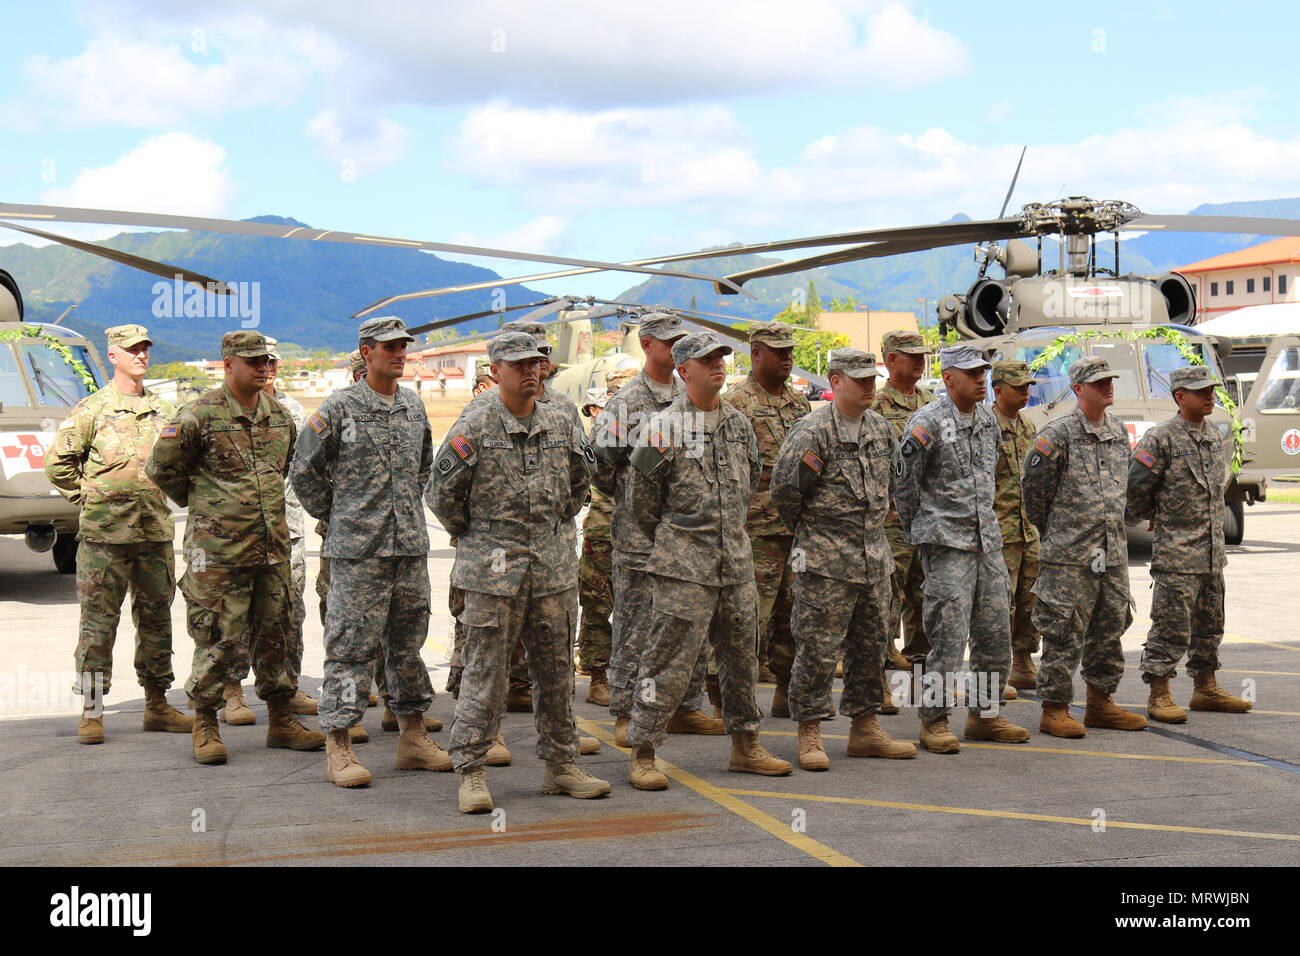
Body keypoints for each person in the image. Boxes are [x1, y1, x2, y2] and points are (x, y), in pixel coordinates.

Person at [428, 331, 611, 813]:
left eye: (537, 362)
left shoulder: (562, 419)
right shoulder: (476, 422)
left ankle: (561, 765)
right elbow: (442, 495)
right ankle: (470, 770)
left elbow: (579, 483)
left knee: (555, 676)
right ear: (496, 371)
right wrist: (480, 536)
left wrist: (549, 531)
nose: (531, 370)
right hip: (493, 573)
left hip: (551, 571)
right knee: (484, 674)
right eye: (519, 364)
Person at [623, 332, 791, 789]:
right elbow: (639, 504)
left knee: (741, 659)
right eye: (706, 359)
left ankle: (745, 745)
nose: (718, 364)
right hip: (683, 568)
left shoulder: (737, 425)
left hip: (735, 562)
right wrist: (675, 543)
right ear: (684, 371)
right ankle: (643, 750)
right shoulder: (662, 430)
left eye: (721, 356)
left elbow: (753, 479)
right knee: (666, 661)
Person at [147, 330, 324, 764]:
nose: (263, 367)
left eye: (266, 360)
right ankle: (206, 722)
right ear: (228, 364)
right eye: (252, 361)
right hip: (218, 553)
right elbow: (162, 470)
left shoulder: (280, 416)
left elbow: (283, 470)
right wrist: (209, 506)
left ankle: (281, 719)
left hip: (272, 548)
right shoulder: (197, 415)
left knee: (275, 633)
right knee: (216, 638)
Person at [290, 316, 449, 788]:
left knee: (407, 644)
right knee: (350, 647)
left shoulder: (413, 406)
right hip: (359, 552)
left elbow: (424, 468)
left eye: (403, 346)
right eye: (389, 347)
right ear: (366, 351)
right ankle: (338, 743)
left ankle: (412, 737)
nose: (399, 354)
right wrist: (337, 516)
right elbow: (303, 471)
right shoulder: (339, 409)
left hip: (409, 550)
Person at [771, 349, 916, 770]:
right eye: (860, 379)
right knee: (816, 651)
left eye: (874, 378)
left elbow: (895, 484)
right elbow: (785, 494)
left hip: (874, 560)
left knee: (871, 648)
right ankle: (810, 730)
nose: (871, 386)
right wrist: (817, 538)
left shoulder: (882, 430)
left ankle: (865, 727)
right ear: (835, 382)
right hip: (824, 564)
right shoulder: (812, 433)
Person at [45, 324, 190, 743]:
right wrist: (88, 497)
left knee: (157, 621)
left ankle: (158, 704)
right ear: (113, 356)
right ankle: (92, 711)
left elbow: (177, 465)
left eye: (145, 349)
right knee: (97, 626)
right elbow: (58, 464)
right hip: (105, 540)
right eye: (132, 350)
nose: (141, 356)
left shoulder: (164, 412)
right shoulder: (91, 410)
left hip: (153, 535)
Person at [592, 313, 722, 746]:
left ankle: (685, 707)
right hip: (641, 536)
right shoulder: (628, 402)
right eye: (667, 341)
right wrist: (633, 498)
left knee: (690, 627)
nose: (674, 347)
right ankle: (627, 711)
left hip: (689, 537)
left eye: (680, 341)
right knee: (636, 626)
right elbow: (601, 463)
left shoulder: (695, 395)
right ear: (646, 345)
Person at [895, 344, 1029, 753]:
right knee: (947, 635)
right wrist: (923, 529)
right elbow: (903, 486)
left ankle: (985, 716)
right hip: (946, 544)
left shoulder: (987, 421)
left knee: (994, 633)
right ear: (948, 377)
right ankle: (933, 720)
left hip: (987, 542)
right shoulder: (928, 423)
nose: (980, 379)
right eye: (971, 373)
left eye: (982, 373)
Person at [1021, 356, 1147, 737]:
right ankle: (1054, 708)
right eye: (1098, 382)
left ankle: (1100, 702)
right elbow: (1034, 493)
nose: (1108, 386)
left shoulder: (1116, 429)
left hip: (1111, 551)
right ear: (1078, 389)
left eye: (1110, 379)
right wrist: (1059, 532)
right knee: (1064, 630)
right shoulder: (1056, 435)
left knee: (1110, 626)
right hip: (1070, 555)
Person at [1127, 364, 1251, 722]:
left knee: (1211, 624)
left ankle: (1205, 687)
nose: (1210, 395)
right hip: (1177, 554)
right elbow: (1134, 488)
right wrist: (1156, 512)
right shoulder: (1160, 437)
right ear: (1180, 397)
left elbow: (1220, 484)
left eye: (1211, 389)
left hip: (1212, 553)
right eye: (1201, 391)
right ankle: (1159, 693)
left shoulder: (1212, 435)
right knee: (1170, 627)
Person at [221, 337, 321, 724]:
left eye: (272, 362)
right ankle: (232, 691)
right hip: (238, 532)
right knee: (236, 613)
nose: (267, 369)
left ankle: (287, 687)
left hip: (287, 529)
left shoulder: (293, 410)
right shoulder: (216, 411)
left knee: (289, 614)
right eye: (260, 362)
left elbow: (311, 467)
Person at [723, 321, 810, 717]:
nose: (787, 358)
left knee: (794, 617)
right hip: (754, 531)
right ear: (755, 353)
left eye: (790, 351)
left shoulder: (799, 404)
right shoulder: (735, 403)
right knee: (748, 620)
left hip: (796, 529)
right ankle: (731, 702)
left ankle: (786, 691)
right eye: (779, 351)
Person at [872, 330, 935, 671]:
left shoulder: (932, 404)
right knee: (890, 589)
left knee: (925, 587)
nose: (921, 361)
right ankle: (885, 651)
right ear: (892, 360)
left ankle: (920, 648)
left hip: (929, 515)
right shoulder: (875, 408)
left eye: (922, 355)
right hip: (892, 518)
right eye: (913, 356)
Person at [576, 369, 636, 705]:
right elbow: (594, 472)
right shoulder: (608, 426)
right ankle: (598, 676)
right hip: (605, 524)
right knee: (599, 602)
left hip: (641, 528)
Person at [990, 360, 1042, 702]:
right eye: (1018, 387)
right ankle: (997, 668)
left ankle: (1023, 661)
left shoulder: (1028, 426)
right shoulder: (985, 426)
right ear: (998, 390)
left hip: (1028, 530)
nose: (1025, 392)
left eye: (1027, 387)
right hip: (999, 532)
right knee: (999, 604)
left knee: (1029, 600)